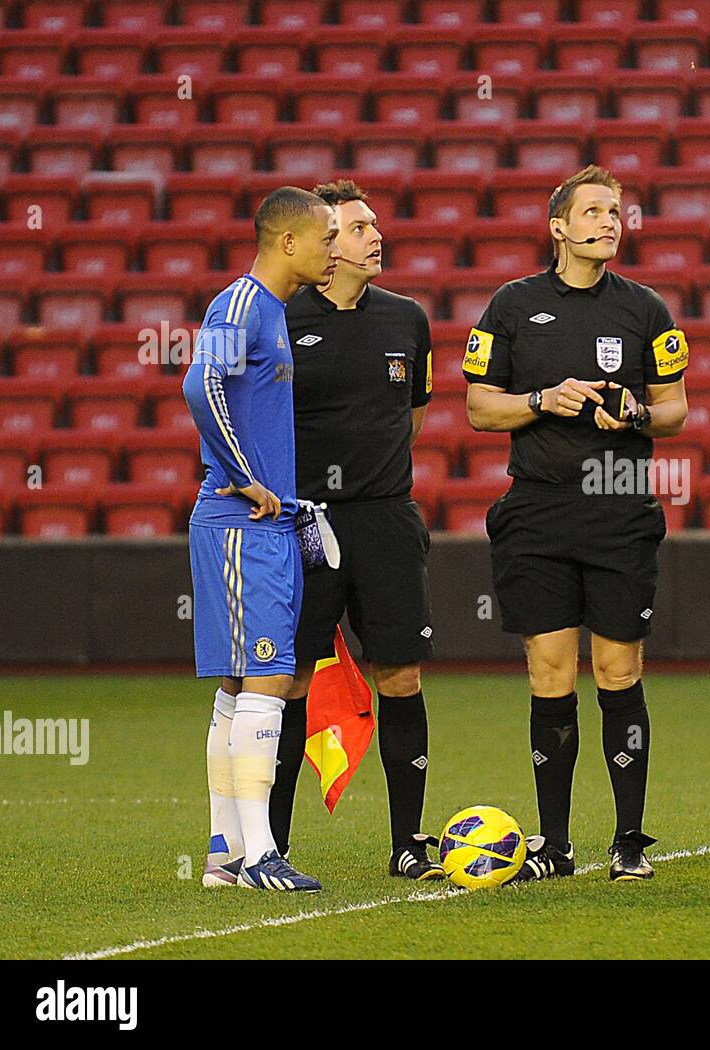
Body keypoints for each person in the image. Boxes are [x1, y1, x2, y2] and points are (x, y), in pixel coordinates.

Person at [463, 165, 688, 882]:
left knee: (620, 668)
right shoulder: (511, 304)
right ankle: (554, 846)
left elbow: (676, 409)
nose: (609, 221)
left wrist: (640, 415)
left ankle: (628, 842)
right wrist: (543, 399)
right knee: (549, 672)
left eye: (616, 211)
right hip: (538, 509)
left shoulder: (646, 309)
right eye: (592, 211)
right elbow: (478, 408)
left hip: (621, 503)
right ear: (557, 226)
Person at [268, 179, 441, 879]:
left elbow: (415, 417)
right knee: (288, 679)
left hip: (385, 522)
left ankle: (407, 846)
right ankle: (269, 848)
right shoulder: (278, 320)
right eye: (361, 227)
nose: (377, 236)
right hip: (304, 525)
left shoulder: (408, 319)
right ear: (326, 242)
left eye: (376, 224)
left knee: (400, 675)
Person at [184, 186, 340, 892]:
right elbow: (199, 382)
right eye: (324, 238)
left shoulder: (270, 310)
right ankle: (256, 857)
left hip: (262, 527)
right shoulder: (242, 303)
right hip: (245, 527)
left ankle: (224, 851)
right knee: (270, 680)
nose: (331, 250)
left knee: (240, 686)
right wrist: (246, 478)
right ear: (287, 242)